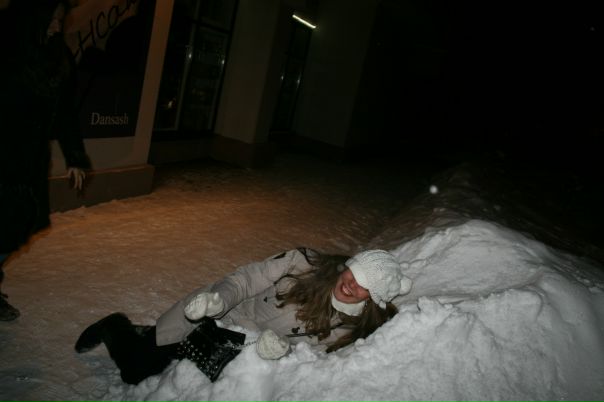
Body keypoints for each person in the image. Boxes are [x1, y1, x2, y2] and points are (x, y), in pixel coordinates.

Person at [74, 248, 413, 384]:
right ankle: (115, 326)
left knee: (170, 378)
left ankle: (146, 334)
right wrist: (216, 301)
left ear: (375, 299)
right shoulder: (303, 263)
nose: (351, 285)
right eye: (354, 274)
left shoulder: (351, 329)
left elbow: (313, 358)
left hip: (238, 352)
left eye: (364, 287)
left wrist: (282, 352)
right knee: (135, 371)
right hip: (214, 316)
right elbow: (246, 280)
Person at [0, 0, 90, 320]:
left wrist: (75, 156)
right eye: (52, 19)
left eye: (60, 20)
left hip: (29, 161)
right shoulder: (6, 46)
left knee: (15, 229)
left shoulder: (58, 57)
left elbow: (65, 112)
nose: (57, 27)